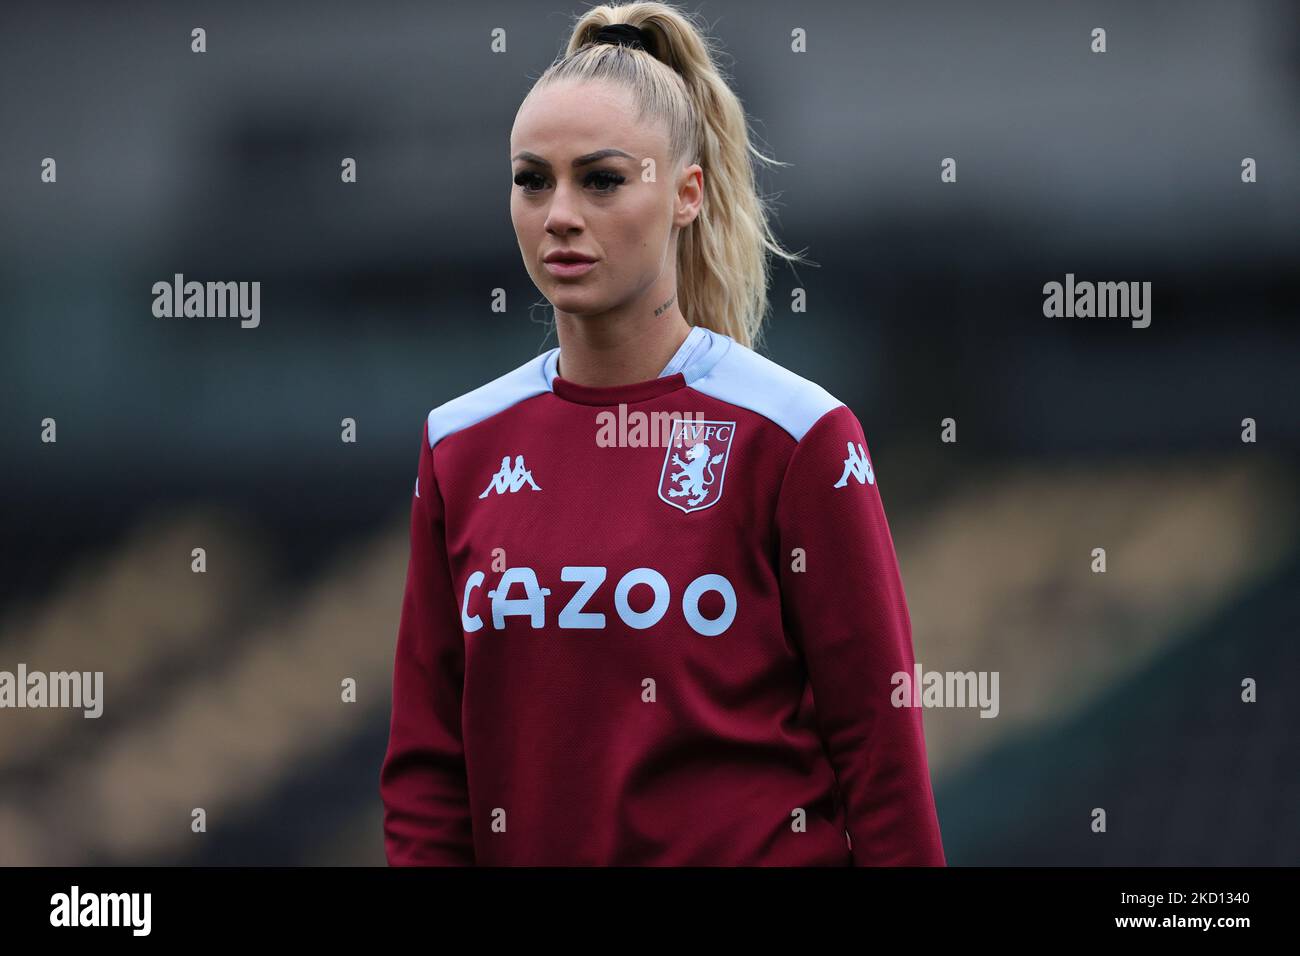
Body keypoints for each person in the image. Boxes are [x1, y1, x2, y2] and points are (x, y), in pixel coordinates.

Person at [380, 1, 946, 866]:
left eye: (601, 180)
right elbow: (427, 773)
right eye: (532, 180)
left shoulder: (798, 437)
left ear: (687, 195)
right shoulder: (460, 446)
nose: (559, 212)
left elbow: (884, 763)